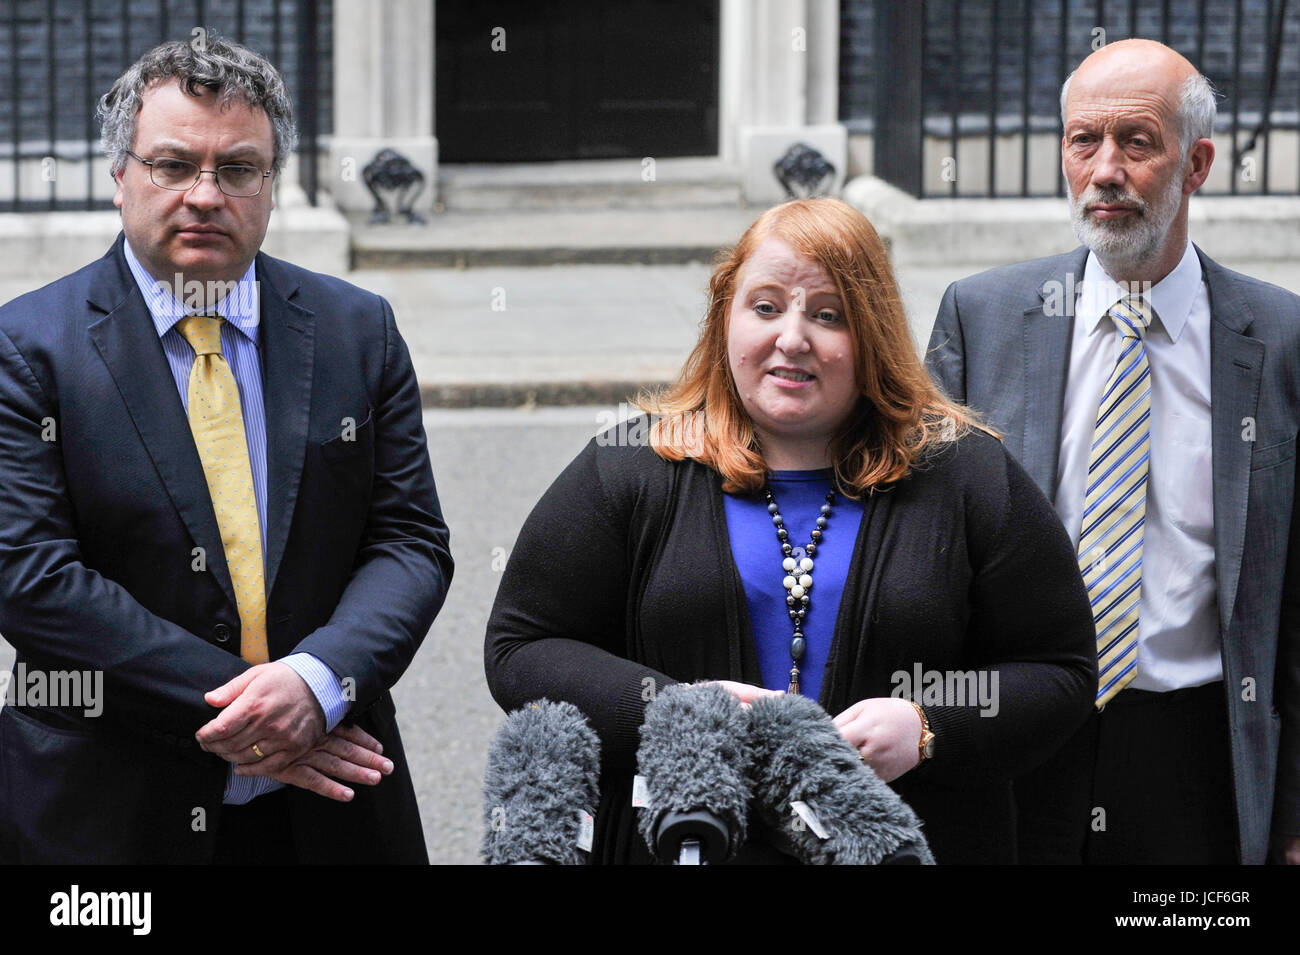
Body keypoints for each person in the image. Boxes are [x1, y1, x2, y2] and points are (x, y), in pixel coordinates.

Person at [484, 197, 1097, 864]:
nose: (792, 338)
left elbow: (1059, 669)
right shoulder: (634, 463)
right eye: (766, 306)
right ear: (726, 317)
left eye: (828, 314)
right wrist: (682, 710)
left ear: (872, 333)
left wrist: (928, 725)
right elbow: (524, 644)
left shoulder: (964, 472)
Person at [0, 37, 452, 863]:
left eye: (238, 169)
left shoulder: (359, 330)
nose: (205, 195)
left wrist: (317, 683)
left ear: (271, 184)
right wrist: (264, 715)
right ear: (120, 177)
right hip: (110, 808)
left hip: (331, 807)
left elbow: (409, 542)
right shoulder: (29, 348)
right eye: (173, 165)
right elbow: (32, 580)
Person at [927, 38, 1300, 865]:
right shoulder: (980, 318)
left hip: (1193, 754)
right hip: (1013, 737)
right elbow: (922, 552)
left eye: (1136, 142)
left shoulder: (1279, 339)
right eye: (1082, 141)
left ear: (1197, 164)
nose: (1104, 170)